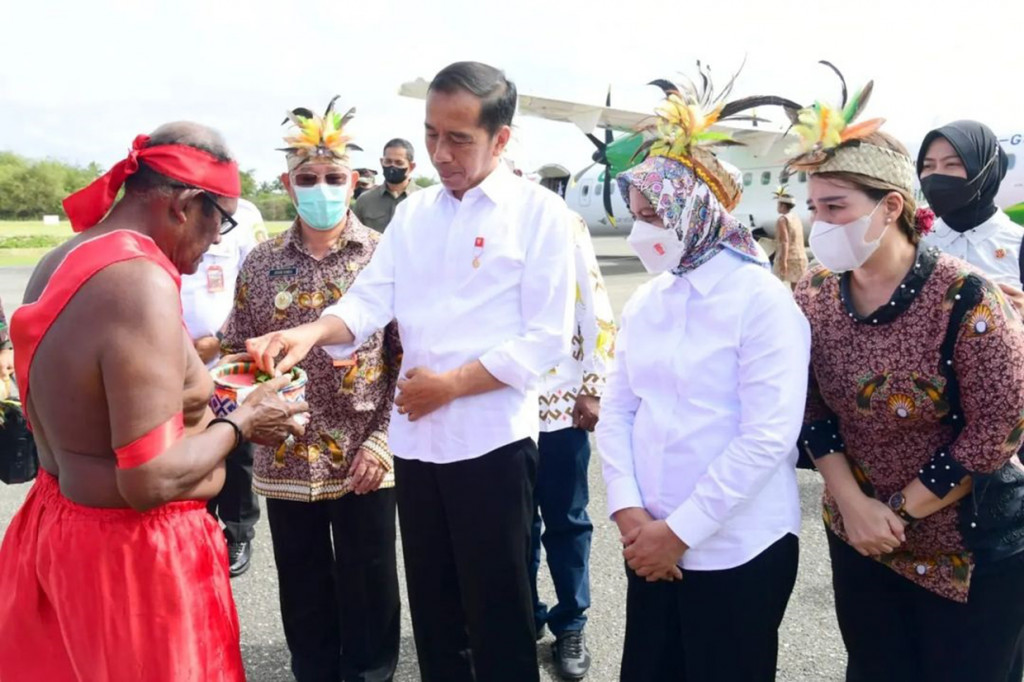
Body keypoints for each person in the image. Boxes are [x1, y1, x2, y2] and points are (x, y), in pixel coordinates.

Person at [246, 61, 575, 682]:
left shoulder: (538, 215)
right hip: (419, 444)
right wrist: (309, 331)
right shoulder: (417, 214)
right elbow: (372, 299)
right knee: (435, 611)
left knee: (499, 609)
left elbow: (546, 338)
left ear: (501, 139)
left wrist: (453, 384)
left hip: (491, 442)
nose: (439, 153)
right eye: (431, 134)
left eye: (459, 139)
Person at [0, 123, 307, 681]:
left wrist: (209, 393)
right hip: (133, 560)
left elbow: (103, 397)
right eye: (222, 220)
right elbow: (149, 478)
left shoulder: (64, 257)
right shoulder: (140, 283)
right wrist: (244, 422)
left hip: (56, 529)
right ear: (186, 205)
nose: (219, 240)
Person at [789, 72, 1024, 680]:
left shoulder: (968, 298)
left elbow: (996, 429)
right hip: (860, 540)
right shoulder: (813, 294)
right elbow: (810, 407)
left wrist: (897, 511)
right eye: (814, 208)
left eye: (836, 207)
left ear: (891, 206)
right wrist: (853, 506)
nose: (821, 224)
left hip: (969, 549)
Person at [598, 72, 808, 682]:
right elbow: (619, 411)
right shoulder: (648, 301)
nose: (641, 231)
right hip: (649, 543)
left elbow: (767, 436)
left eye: (653, 216)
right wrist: (630, 512)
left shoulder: (762, 302)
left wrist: (679, 533)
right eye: (636, 215)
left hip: (738, 547)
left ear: (698, 212)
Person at [221, 99, 402, 682]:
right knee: (302, 585)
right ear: (287, 184)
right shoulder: (261, 262)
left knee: (370, 580)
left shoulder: (383, 257)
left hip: (362, 456)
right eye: (307, 179)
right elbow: (233, 355)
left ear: (353, 182)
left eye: (333, 177)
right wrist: (257, 403)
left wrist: (383, 443)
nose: (320, 188)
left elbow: (410, 361)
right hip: (286, 455)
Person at [530, 209, 616, 680]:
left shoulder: (559, 219)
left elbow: (594, 297)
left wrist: (592, 383)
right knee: (511, 524)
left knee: (565, 518)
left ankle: (571, 622)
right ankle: (524, 615)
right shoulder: (468, 218)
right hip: (496, 404)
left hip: (559, 400)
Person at [181, 197, 261, 577]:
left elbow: (254, 286)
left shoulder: (243, 215)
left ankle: (238, 530)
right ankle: (195, 527)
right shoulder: (172, 208)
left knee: (235, 448)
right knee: (186, 445)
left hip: (222, 358)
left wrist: (222, 339)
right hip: (170, 358)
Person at [353, 138, 419, 232]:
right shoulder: (365, 201)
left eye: (399, 163)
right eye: (388, 161)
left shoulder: (425, 201)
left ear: (411, 167)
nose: (392, 167)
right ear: (381, 162)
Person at [772, 185, 808, 288]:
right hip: (800, 256)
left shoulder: (782, 220)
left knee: (776, 285)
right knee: (797, 288)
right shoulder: (796, 218)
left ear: (783, 206)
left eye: (778, 204)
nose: (777, 207)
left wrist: (783, 261)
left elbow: (785, 241)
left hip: (788, 257)